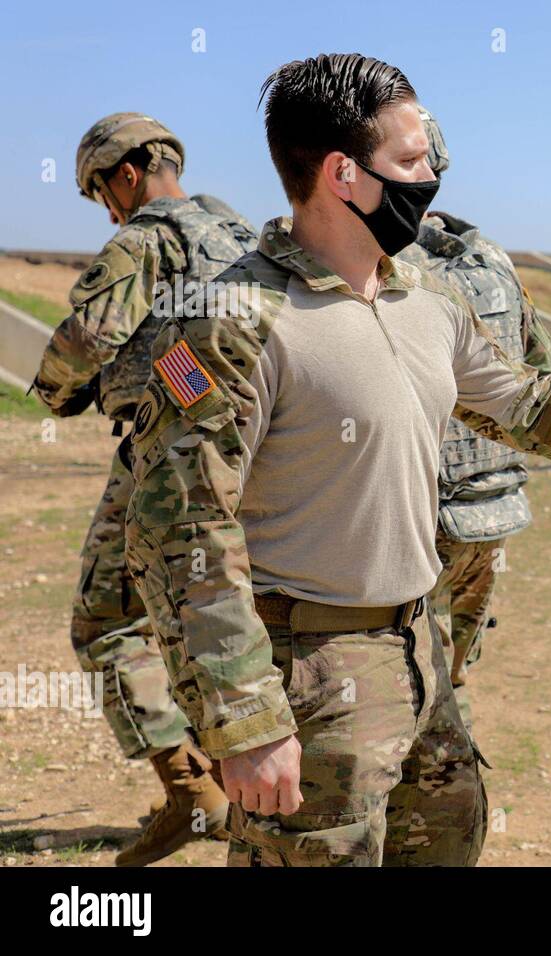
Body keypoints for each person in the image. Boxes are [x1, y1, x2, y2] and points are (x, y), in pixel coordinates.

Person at [124, 53, 551, 867]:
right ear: (344, 174)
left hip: (420, 652)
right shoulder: (232, 323)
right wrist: (244, 722)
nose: (431, 179)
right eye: (413, 161)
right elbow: (180, 534)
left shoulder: (424, 297)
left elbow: (536, 409)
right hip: (310, 677)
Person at [31, 112, 257, 865]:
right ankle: (251, 790)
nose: (107, 212)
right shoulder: (240, 233)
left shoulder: (144, 240)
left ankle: (193, 792)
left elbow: (86, 340)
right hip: (257, 452)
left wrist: (56, 392)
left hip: (171, 453)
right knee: (232, 618)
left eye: (103, 193)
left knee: (107, 621)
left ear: (125, 175)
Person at [395, 106, 551, 728]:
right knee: (448, 677)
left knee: (404, 686)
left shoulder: (379, 266)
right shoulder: (489, 259)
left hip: (420, 518)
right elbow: (545, 379)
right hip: (494, 510)